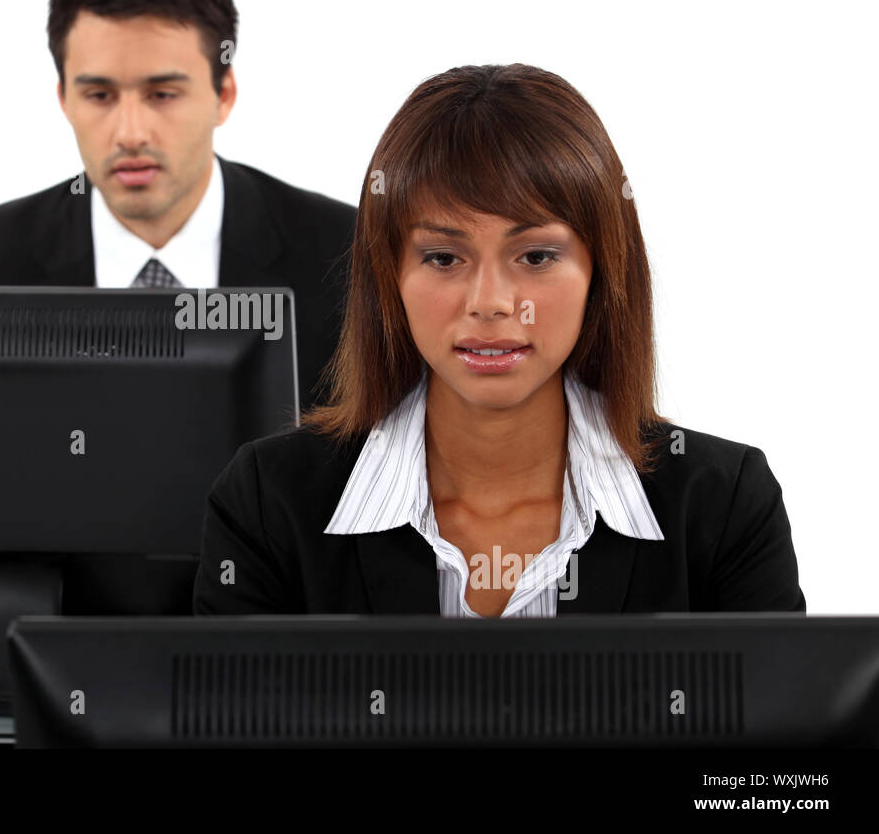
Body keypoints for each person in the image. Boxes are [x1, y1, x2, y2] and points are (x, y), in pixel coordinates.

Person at [193, 63, 806, 617]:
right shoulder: (267, 505)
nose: (489, 302)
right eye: (442, 257)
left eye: (536, 255)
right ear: (389, 277)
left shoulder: (725, 506)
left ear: (602, 273)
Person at [0, 0, 355, 408]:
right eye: (100, 96)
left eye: (162, 94)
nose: (130, 133)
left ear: (224, 95)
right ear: (64, 99)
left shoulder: (345, 255)